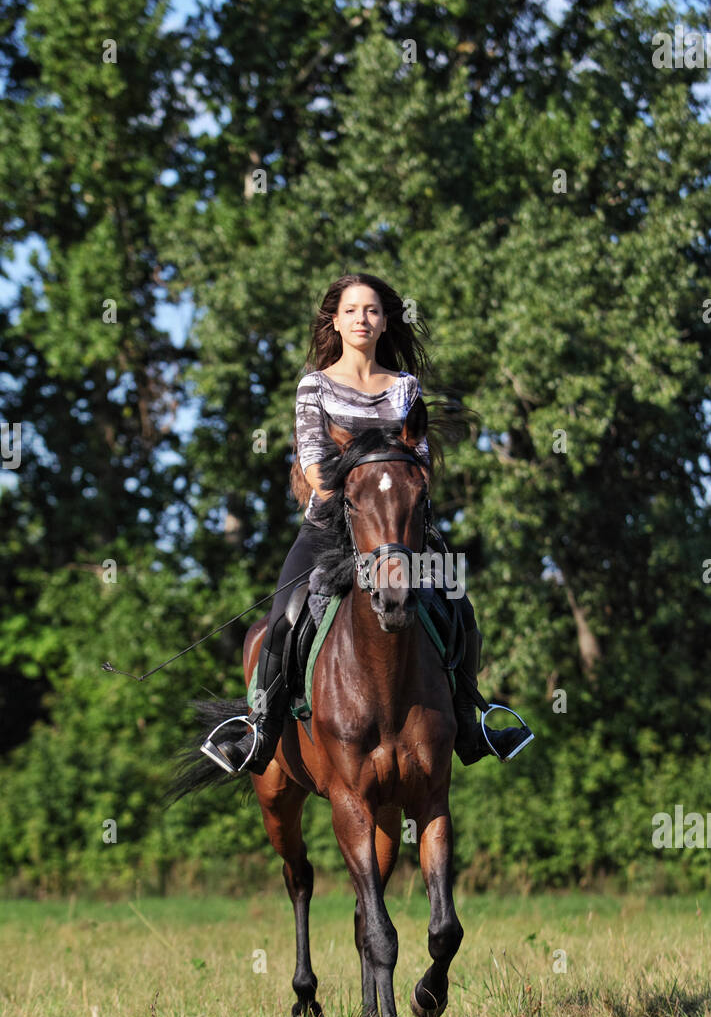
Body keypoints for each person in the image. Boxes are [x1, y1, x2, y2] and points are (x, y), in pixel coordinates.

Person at [201, 272, 533, 776]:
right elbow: (314, 464)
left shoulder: (405, 388)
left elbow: (418, 463)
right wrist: (355, 499)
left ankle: (472, 719)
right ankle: (259, 728)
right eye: (352, 310)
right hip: (329, 530)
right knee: (287, 613)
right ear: (335, 321)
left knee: (460, 607)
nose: (362, 318)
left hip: (399, 532)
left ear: (384, 323)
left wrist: (395, 509)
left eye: (372, 310)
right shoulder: (314, 386)